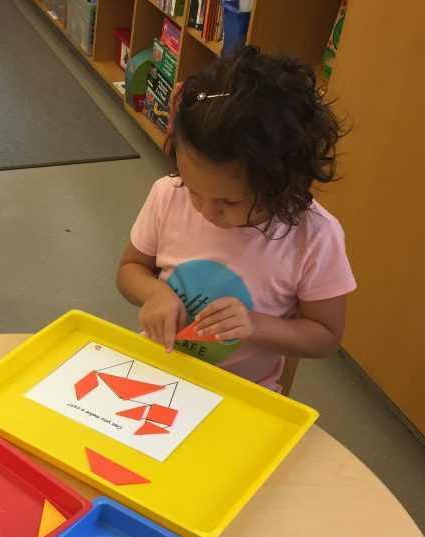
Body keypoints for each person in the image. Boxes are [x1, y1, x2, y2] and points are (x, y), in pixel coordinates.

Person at [116, 45, 356, 391]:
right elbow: (129, 270)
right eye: (193, 189)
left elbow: (325, 336)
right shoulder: (170, 194)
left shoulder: (315, 237)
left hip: (244, 392)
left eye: (229, 200)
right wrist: (155, 293)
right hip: (160, 371)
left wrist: (256, 325)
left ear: (283, 182)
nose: (205, 211)